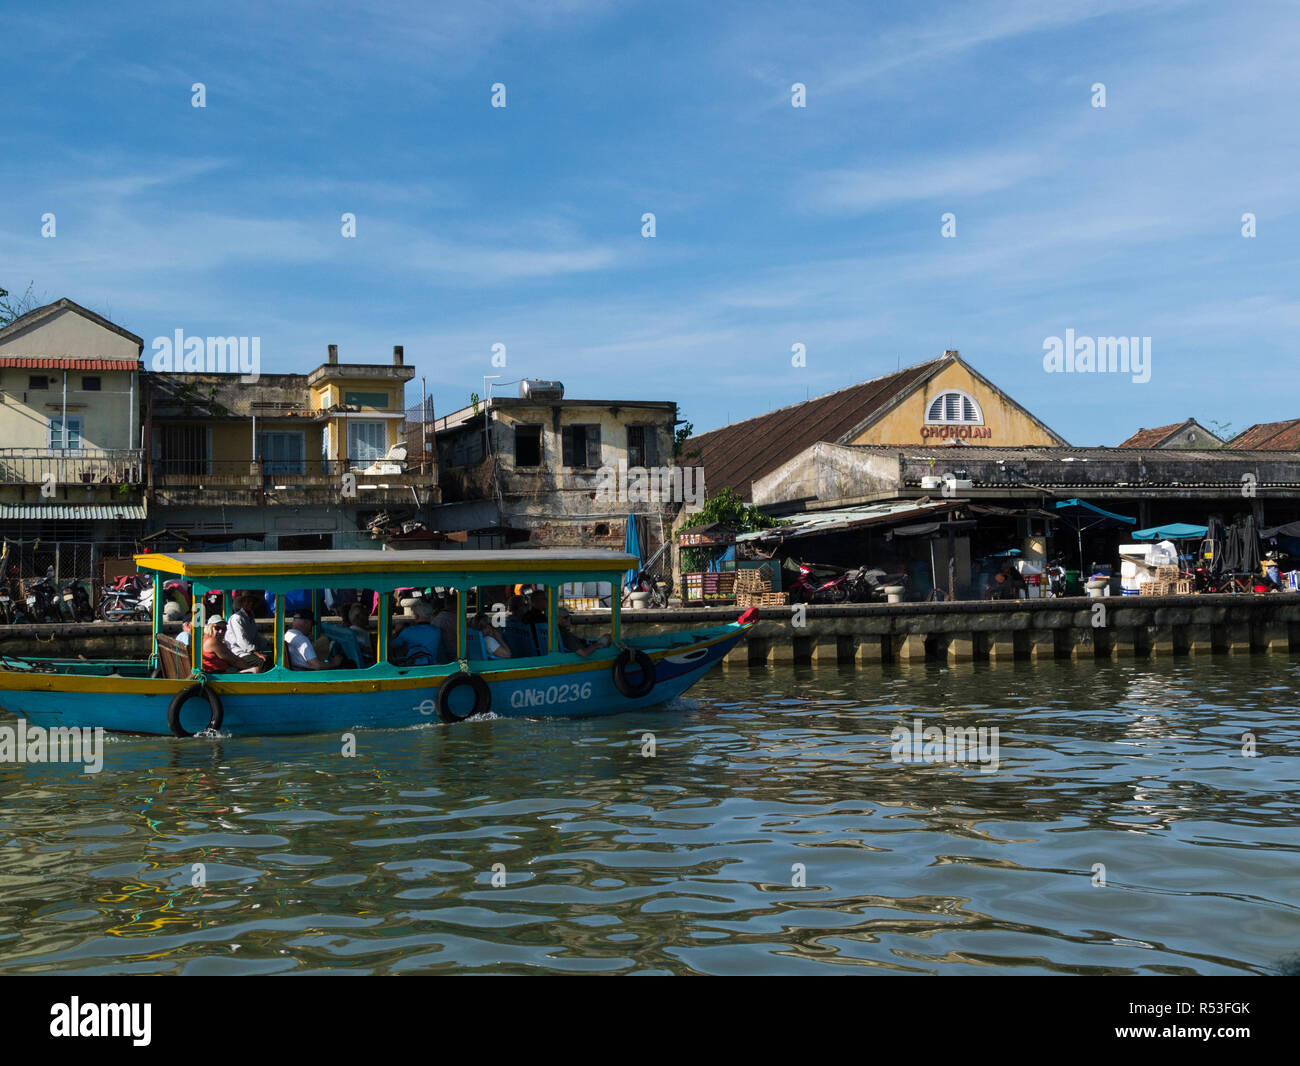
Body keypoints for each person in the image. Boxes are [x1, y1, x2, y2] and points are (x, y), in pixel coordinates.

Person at [389, 599, 443, 666]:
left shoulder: (408, 631)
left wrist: (397, 631)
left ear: (416, 616)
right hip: (431, 665)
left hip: (413, 666)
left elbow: (392, 645)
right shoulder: (437, 631)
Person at [226, 590, 271, 668]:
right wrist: (257, 654)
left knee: (271, 659)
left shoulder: (250, 617)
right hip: (238, 654)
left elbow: (256, 637)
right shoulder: (237, 618)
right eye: (246, 601)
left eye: (251, 602)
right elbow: (242, 640)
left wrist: (268, 644)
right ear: (242, 603)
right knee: (262, 662)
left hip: (248, 652)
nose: (249, 604)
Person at [431, 594, 458, 659]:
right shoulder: (454, 618)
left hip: (440, 652)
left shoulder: (437, 618)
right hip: (453, 652)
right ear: (455, 604)